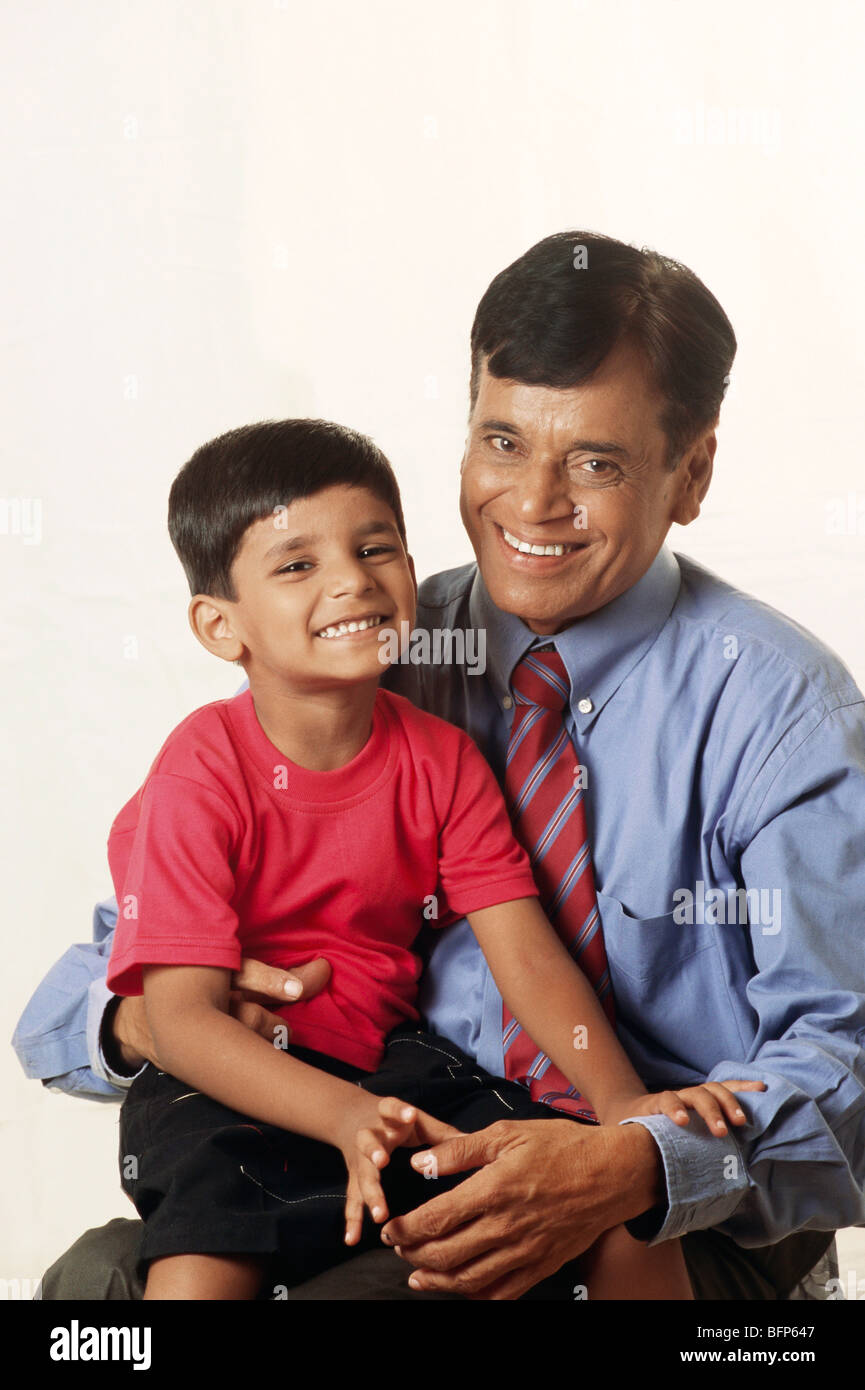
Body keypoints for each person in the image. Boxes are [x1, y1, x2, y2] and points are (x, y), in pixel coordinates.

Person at [15, 231, 864, 1301]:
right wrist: (153, 1014)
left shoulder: (781, 707)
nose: (534, 503)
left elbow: (847, 1073)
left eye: (594, 462)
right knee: (93, 1288)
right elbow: (75, 998)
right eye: (502, 444)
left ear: (690, 473)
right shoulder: (365, 661)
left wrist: (636, 1160)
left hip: (679, 1210)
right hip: (400, 1138)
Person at [105, 417, 759, 1301]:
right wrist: (340, 1117)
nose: (351, 581)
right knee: (209, 1243)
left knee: (589, 1191)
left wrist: (617, 1107)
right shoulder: (200, 767)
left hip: (391, 1064)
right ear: (221, 626)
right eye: (298, 565)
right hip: (232, 1082)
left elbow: (523, 950)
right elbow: (182, 1022)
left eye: (376, 548)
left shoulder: (440, 757)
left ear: (412, 571)